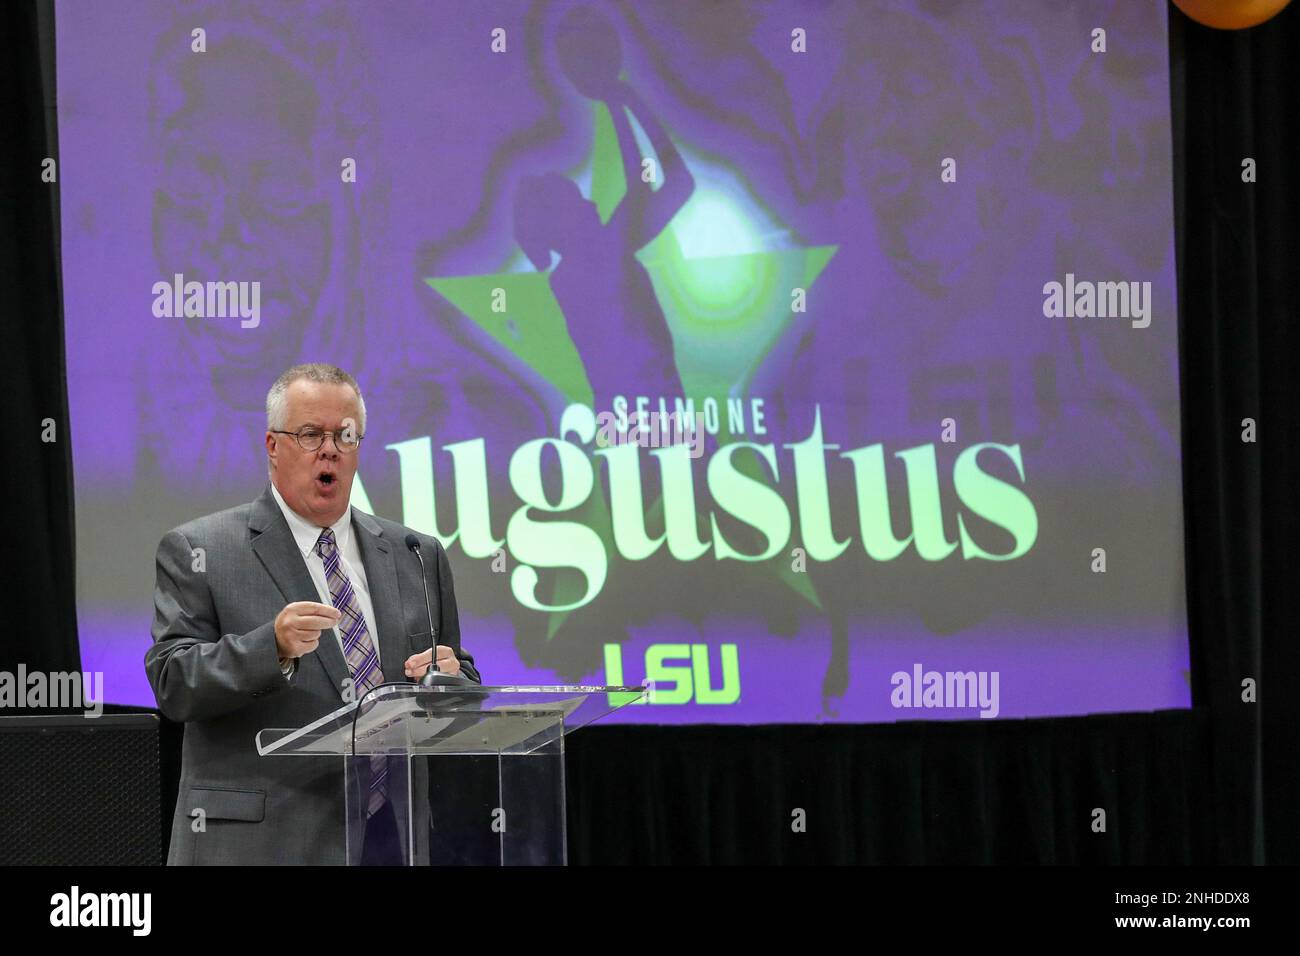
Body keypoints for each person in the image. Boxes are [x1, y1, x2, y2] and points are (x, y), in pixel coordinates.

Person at [145, 363, 479, 865]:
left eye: (345, 435)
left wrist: (452, 679)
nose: (330, 449)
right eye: (309, 434)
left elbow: (464, 682)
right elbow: (173, 681)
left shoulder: (415, 553)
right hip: (263, 846)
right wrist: (272, 649)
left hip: (392, 841)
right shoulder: (200, 549)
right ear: (273, 446)